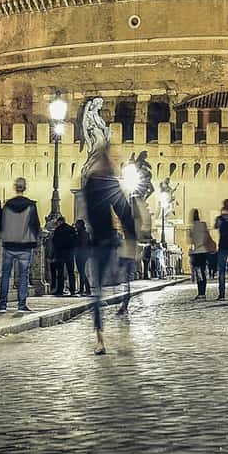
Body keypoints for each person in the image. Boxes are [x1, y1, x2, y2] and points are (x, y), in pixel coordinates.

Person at [81, 146, 136, 355]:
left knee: (97, 292)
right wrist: (131, 235)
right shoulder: (108, 183)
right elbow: (123, 210)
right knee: (114, 282)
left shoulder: (89, 185)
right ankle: (122, 303)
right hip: (109, 241)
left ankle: (100, 338)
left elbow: (91, 214)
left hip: (96, 242)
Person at [0, 176, 40, 313]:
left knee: (6, 275)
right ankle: (21, 304)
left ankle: (2, 304)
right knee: (23, 275)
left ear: (15, 187)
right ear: (24, 188)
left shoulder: (7, 205)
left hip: (9, 244)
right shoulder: (31, 205)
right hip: (25, 245)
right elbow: (35, 225)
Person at [51, 215, 77, 296]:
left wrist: (54, 254)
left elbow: (54, 242)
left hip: (60, 253)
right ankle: (72, 290)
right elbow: (75, 240)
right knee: (71, 272)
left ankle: (60, 290)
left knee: (60, 273)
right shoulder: (71, 229)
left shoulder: (58, 230)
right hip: (70, 253)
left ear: (60, 221)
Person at [188, 208, 211, 300]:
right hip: (204, 251)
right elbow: (207, 237)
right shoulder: (203, 225)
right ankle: (203, 293)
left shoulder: (192, 228)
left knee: (199, 273)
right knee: (203, 272)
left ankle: (200, 293)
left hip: (197, 252)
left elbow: (191, 241)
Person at [74, 218, 92, 295]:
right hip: (84, 254)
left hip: (81, 254)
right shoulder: (85, 233)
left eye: (77, 224)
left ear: (80, 225)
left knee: (81, 272)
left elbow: (80, 243)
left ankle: (86, 289)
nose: (75, 225)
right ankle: (83, 289)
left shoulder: (81, 234)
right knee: (81, 272)